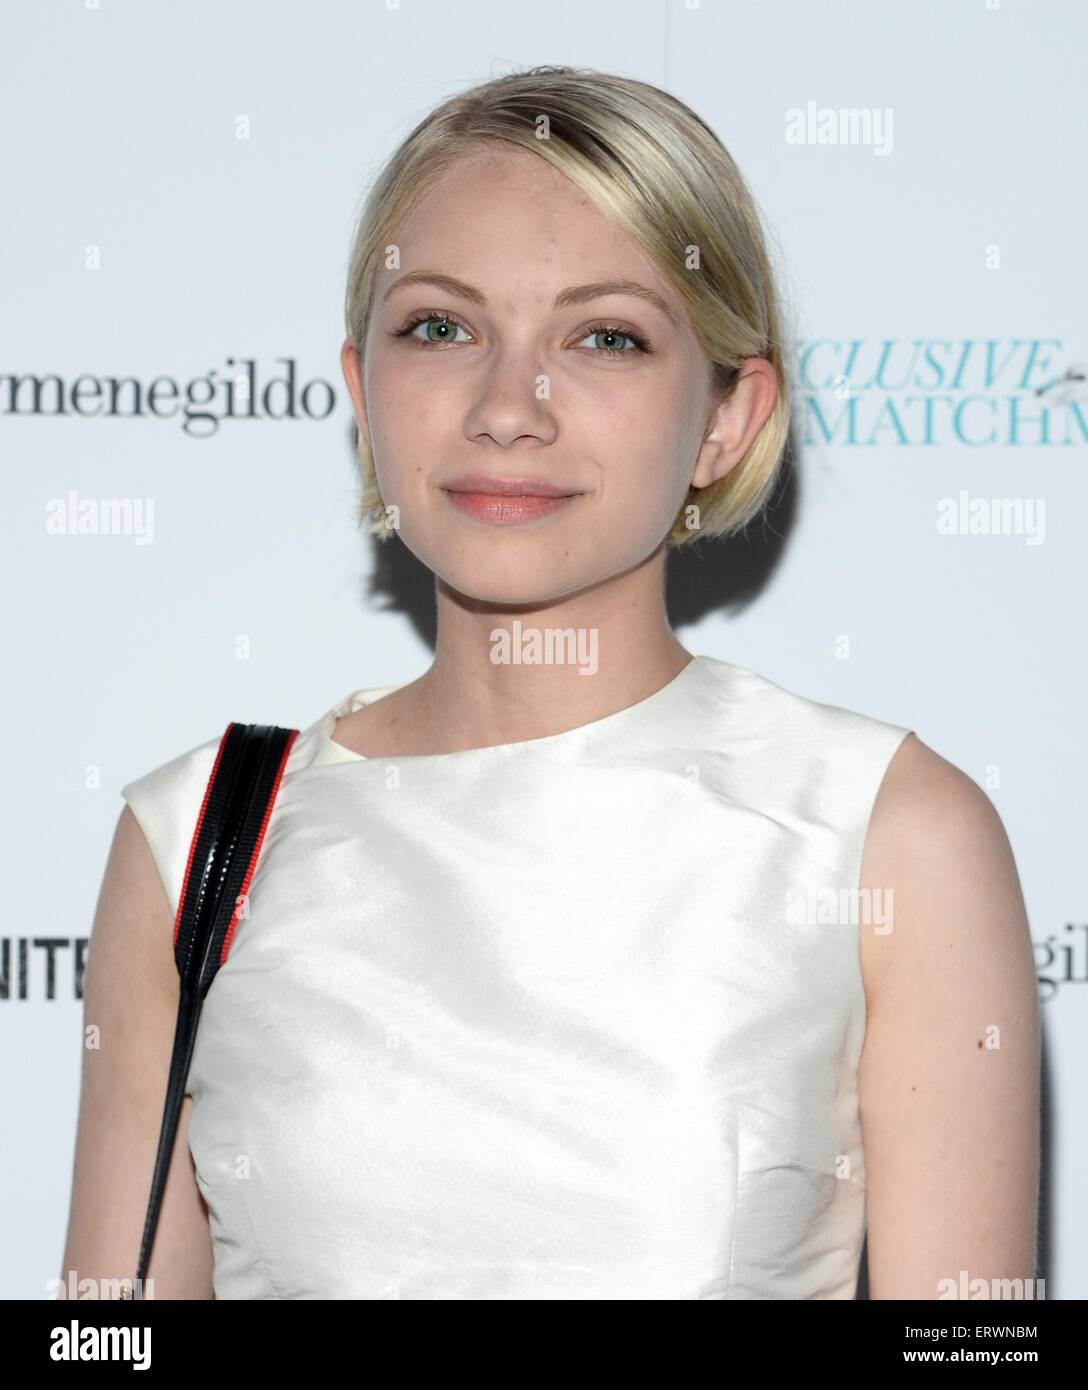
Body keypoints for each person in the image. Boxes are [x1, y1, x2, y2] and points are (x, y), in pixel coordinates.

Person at [61, 66, 1040, 1300]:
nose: (506, 407)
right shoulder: (200, 837)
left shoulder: (885, 831)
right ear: (363, 392)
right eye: (440, 327)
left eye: (604, 337)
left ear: (728, 418)